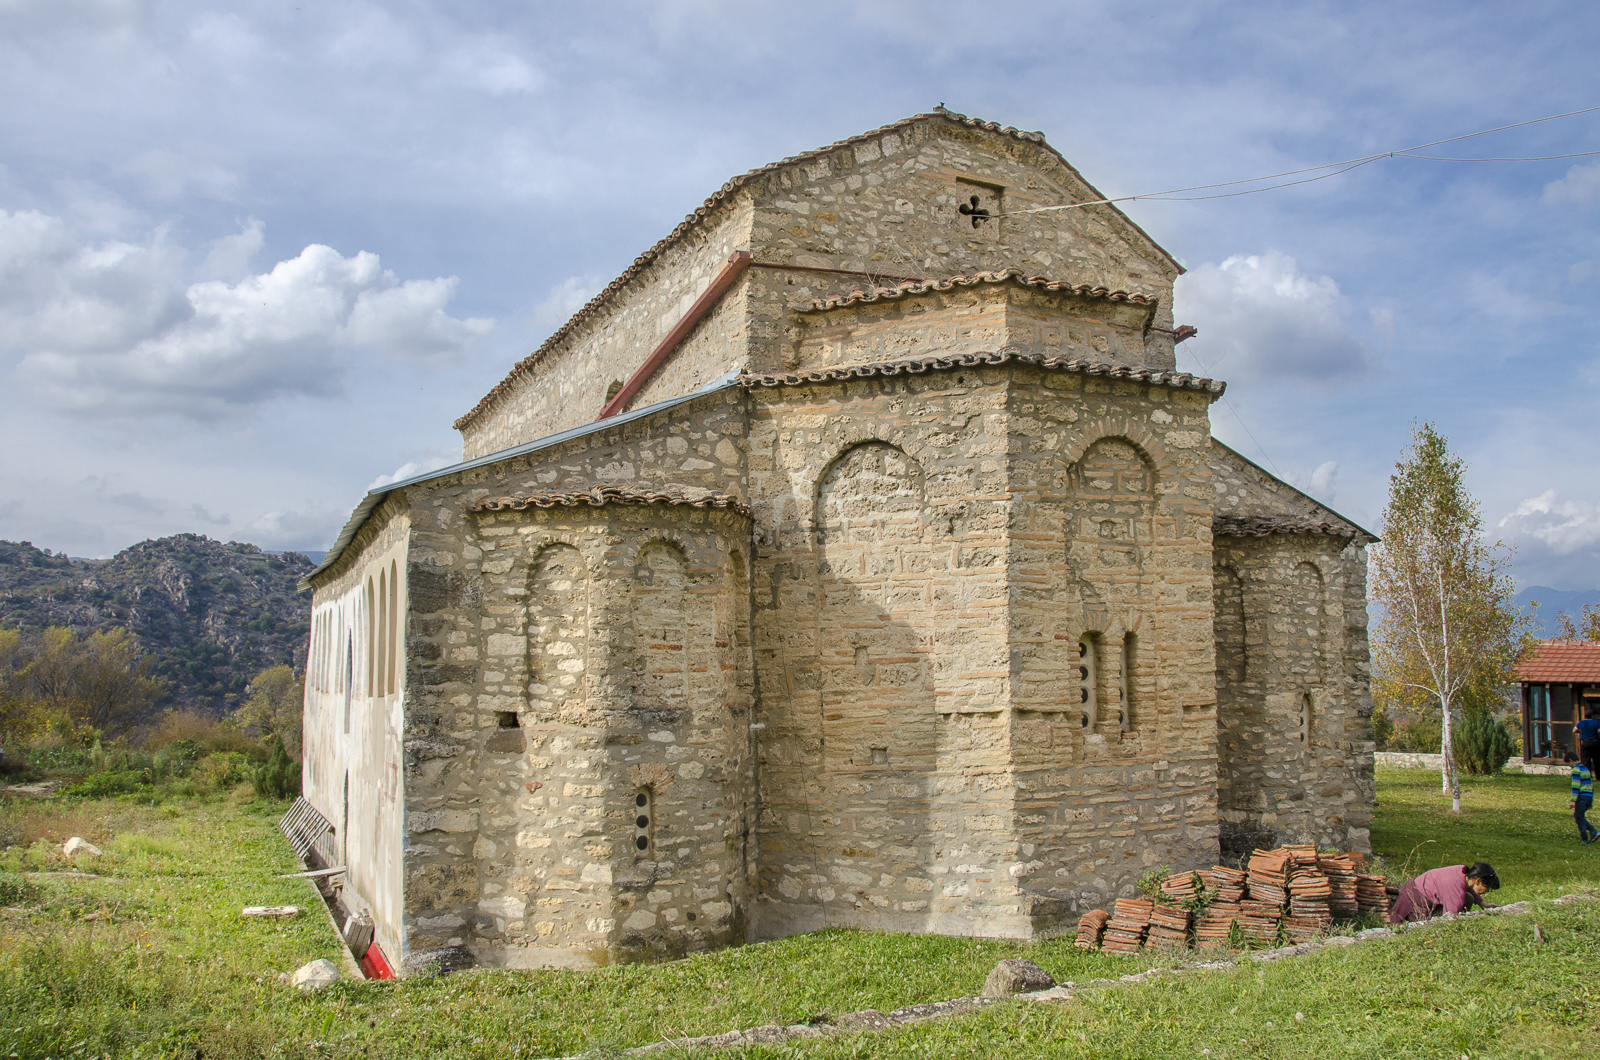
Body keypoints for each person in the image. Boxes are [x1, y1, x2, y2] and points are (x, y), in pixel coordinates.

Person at [1388, 862, 1500, 924]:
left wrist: (1483, 904)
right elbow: (1449, 919)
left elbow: (1468, 887)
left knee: (1469, 898)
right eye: (1487, 888)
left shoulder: (1463, 872)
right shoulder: (1455, 893)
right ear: (1478, 881)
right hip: (1415, 897)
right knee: (1413, 925)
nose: (1487, 891)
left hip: (1424, 893)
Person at [1570, 751, 1597, 844]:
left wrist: (1573, 800)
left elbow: (1576, 786)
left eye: (1568, 763)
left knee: (1579, 817)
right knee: (1579, 816)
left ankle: (1585, 838)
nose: (1570, 766)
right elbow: (1590, 785)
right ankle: (1593, 831)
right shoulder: (1585, 769)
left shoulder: (1576, 770)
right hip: (1589, 796)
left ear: (1571, 760)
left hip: (1581, 796)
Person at [1579, 708, 1600, 777]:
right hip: (1594, 742)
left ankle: (1587, 775)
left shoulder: (1581, 723)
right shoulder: (1596, 723)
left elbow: (1574, 730)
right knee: (1596, 759)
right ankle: (1598, 776)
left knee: (1586, 760)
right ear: (1592, 715)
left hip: (1585, 742)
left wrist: (1582, 732)